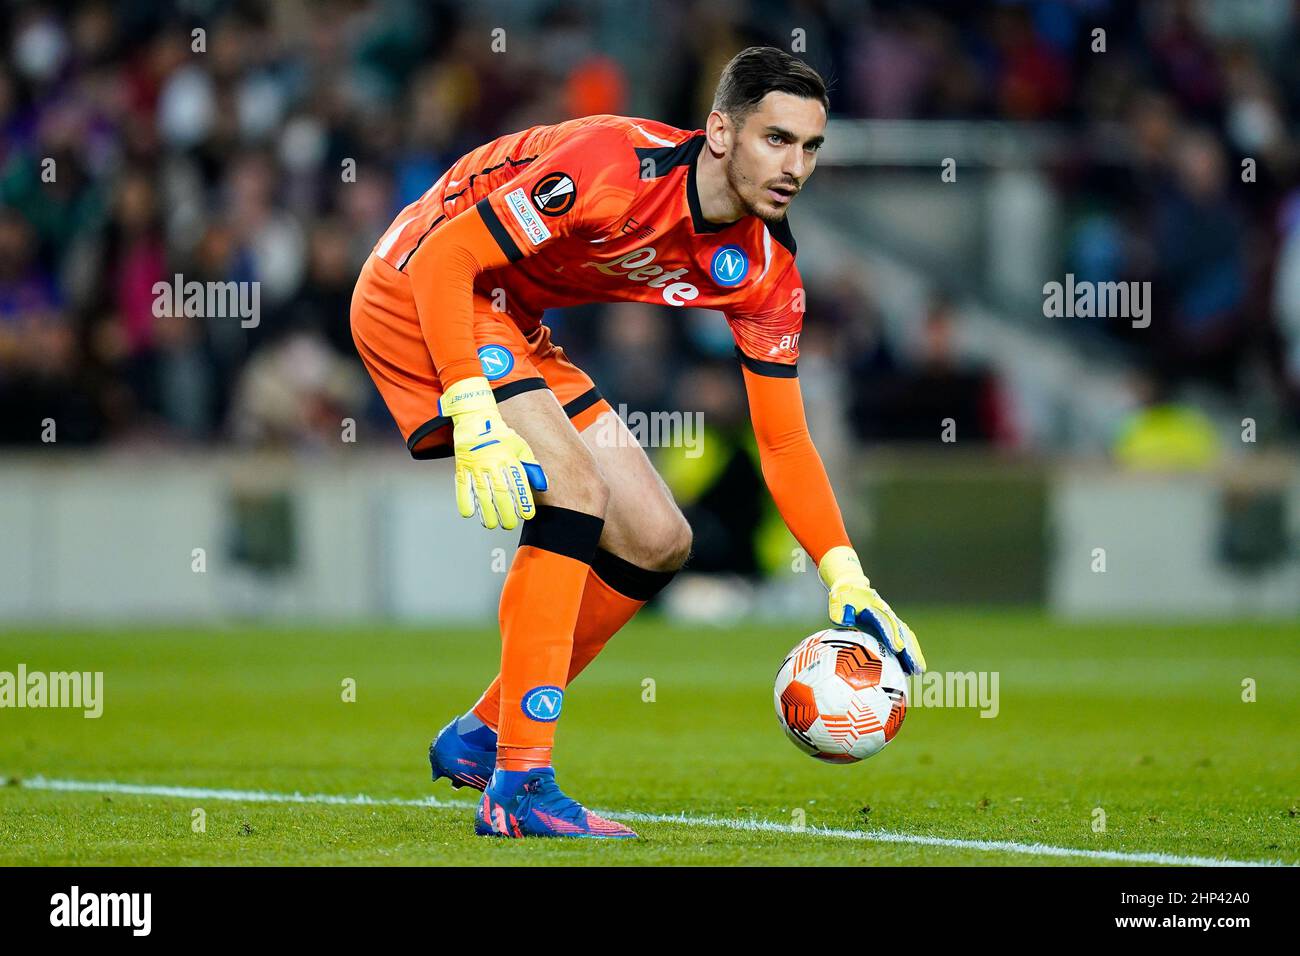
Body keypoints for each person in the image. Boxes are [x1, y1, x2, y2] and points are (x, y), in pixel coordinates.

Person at [350, 46, 927, 839]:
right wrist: (472, 404)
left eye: (811, 147)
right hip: (418, 287)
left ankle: (484, 733)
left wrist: (845, 573)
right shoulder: (613, 167)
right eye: (777, 139)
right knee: (577, 493)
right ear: (720, 132)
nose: (796, 166)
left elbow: (784, 441)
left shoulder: (767, 270)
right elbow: (448, 254)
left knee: (659, 540)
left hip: (510, 320)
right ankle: (520, 783)